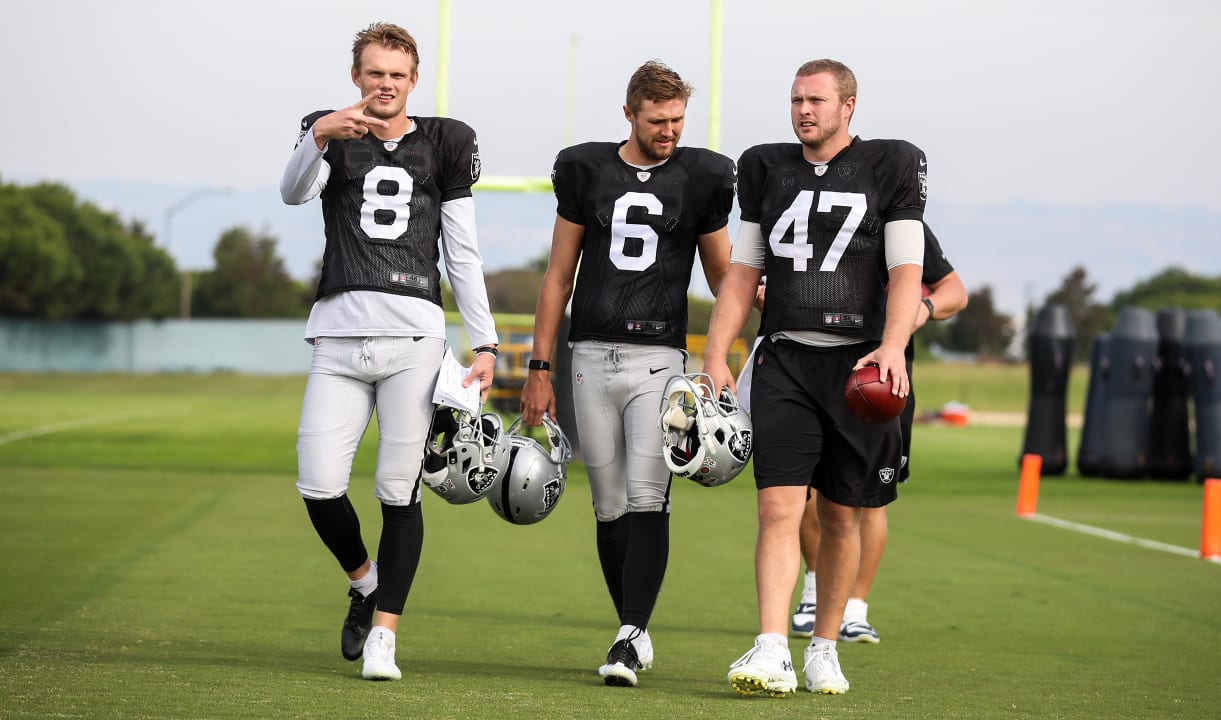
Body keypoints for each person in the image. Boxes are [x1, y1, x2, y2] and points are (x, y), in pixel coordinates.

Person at [280, 22, 499, 682]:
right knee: (318, 484)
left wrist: (484, 339)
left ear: (412, 79)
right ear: (357, 77)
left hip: (414, 337)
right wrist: (318, 135)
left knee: (396, 491)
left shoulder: (445, 143)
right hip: (339, 333)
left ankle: (384, 636)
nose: (385, 84)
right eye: (374, 73)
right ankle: (365, 580)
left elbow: (461, 250)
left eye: (397, 74)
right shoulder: (330, 132)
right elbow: (291, 193)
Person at [702, 58, 926, 697]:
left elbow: (907, 269)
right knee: (777, 506)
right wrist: (718, 352)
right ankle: (771, 645)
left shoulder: (891, 164)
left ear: (848, 106)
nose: (804, 110)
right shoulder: (766, 166)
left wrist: (891, 345)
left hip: (858, 363)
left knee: (843, 515)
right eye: (796, 99)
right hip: (786, 357)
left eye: (817, 100)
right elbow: (743, 270)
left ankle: (824, 646)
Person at [519, 60, 735, 688]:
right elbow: (559, 277)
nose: (669, 131)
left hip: (658, 359)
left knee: (648, 496)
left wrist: (740, 338)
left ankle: (628, 634)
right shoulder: (587, 169)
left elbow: (724, 276)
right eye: (657, 120)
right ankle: (633, 631)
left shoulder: (703, 177)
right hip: (587, 354)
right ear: (629, 114)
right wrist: (539, 365)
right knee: (609, 507)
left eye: (677, 120)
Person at [790, 224, 968, 643]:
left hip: (879, 382)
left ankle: (855, 608)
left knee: (869, 499)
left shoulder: (905, 225)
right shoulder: (811, 205)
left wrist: (920, 309)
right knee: (804, 491)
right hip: (810, 365)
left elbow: (955, 291)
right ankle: (815, 593)